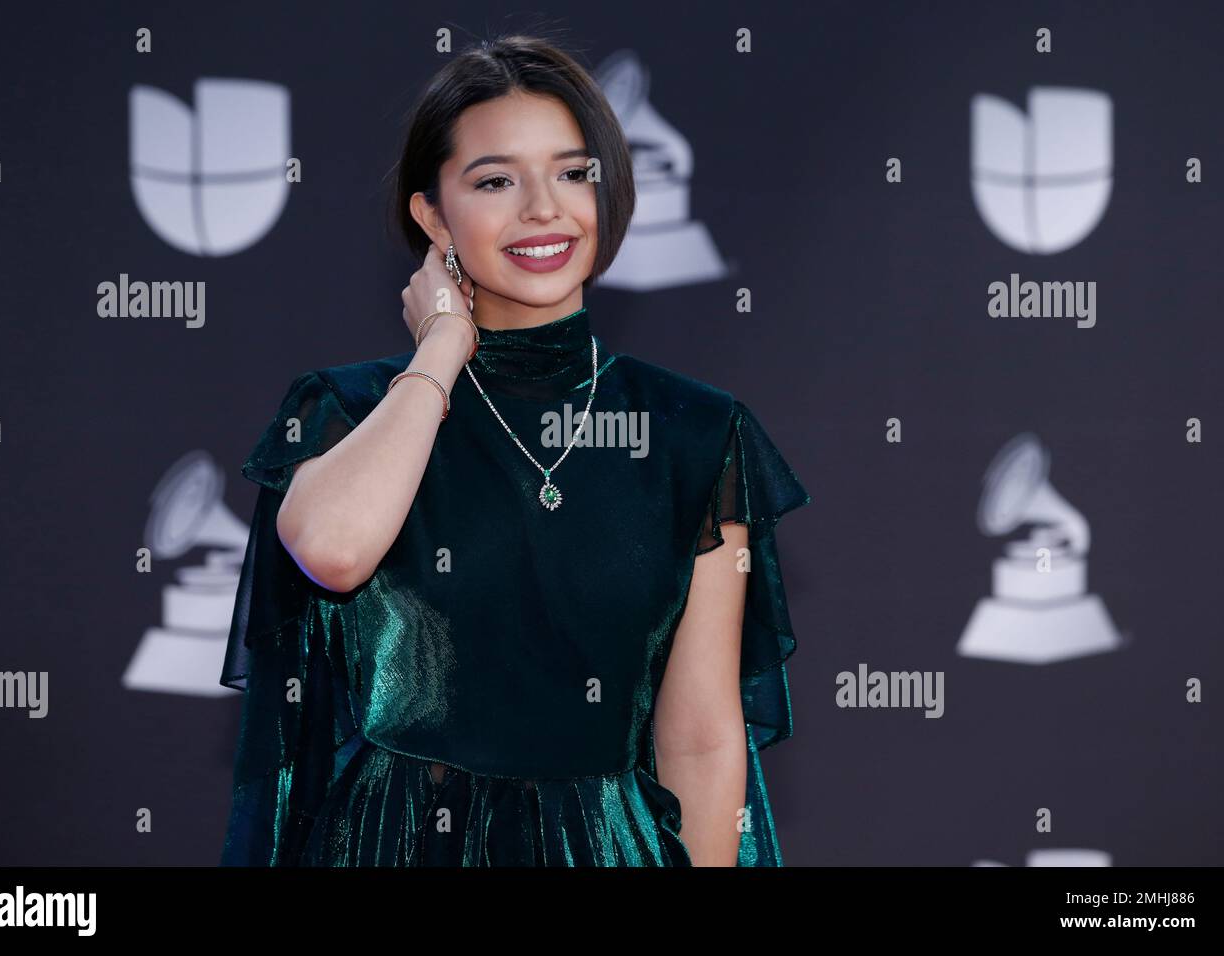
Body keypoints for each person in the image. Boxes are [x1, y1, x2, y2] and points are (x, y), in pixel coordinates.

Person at [219, 33, 811, 867]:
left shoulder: (696, 430)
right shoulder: (348, 408)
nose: (543, 208)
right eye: (496, 180)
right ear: (432, 215)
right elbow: (333, 550)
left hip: (613, 850)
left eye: (574, 173)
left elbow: (705, 739)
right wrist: (441, 348)